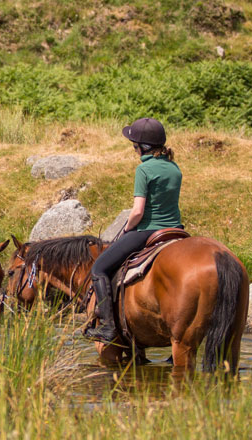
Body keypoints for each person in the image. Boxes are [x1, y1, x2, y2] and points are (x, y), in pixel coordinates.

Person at [84, 117, 183, 342]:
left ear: (142, 147)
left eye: (134, 145)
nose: (133, 149)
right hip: (176, 229)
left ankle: (108, 327)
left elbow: (138, 212)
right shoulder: (173, 167)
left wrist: (126, 229)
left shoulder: (144, 170)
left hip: (149, 229)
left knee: (99, 268)